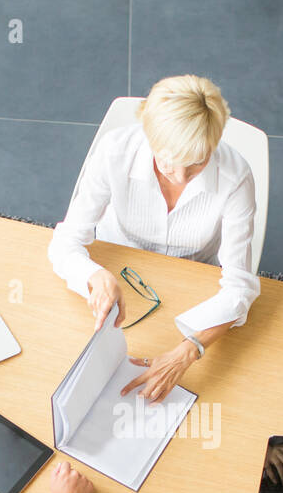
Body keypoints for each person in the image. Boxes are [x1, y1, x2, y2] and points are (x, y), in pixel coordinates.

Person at [48, 74, 260, 403]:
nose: (181, 177)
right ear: (148, 138)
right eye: (168, 162)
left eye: (197, 163)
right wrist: (94, 274)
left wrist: (189, 351)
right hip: (120, 266)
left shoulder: (236, 176)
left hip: (189, 278)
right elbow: (65, 242)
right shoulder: (115, 152)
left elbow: (240, 286)